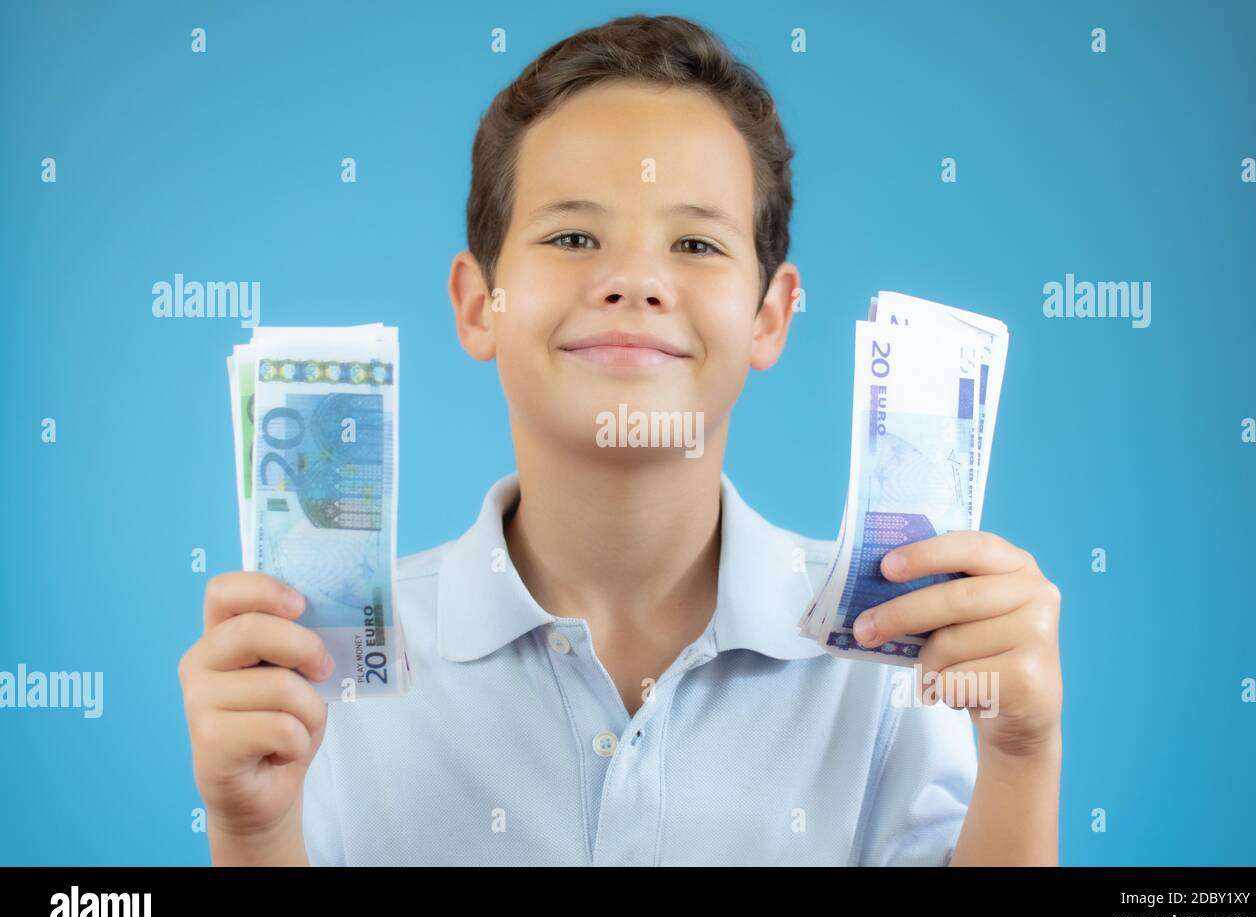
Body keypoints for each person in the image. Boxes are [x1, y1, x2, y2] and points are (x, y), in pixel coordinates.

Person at [177, 13, 1063, 866]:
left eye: (695, 242)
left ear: (770, 315)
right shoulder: (323, 667)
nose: (634, 279)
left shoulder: (892, 655)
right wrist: (252, 837)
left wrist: (1023, 759)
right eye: (572, 235)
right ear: (479, 303)